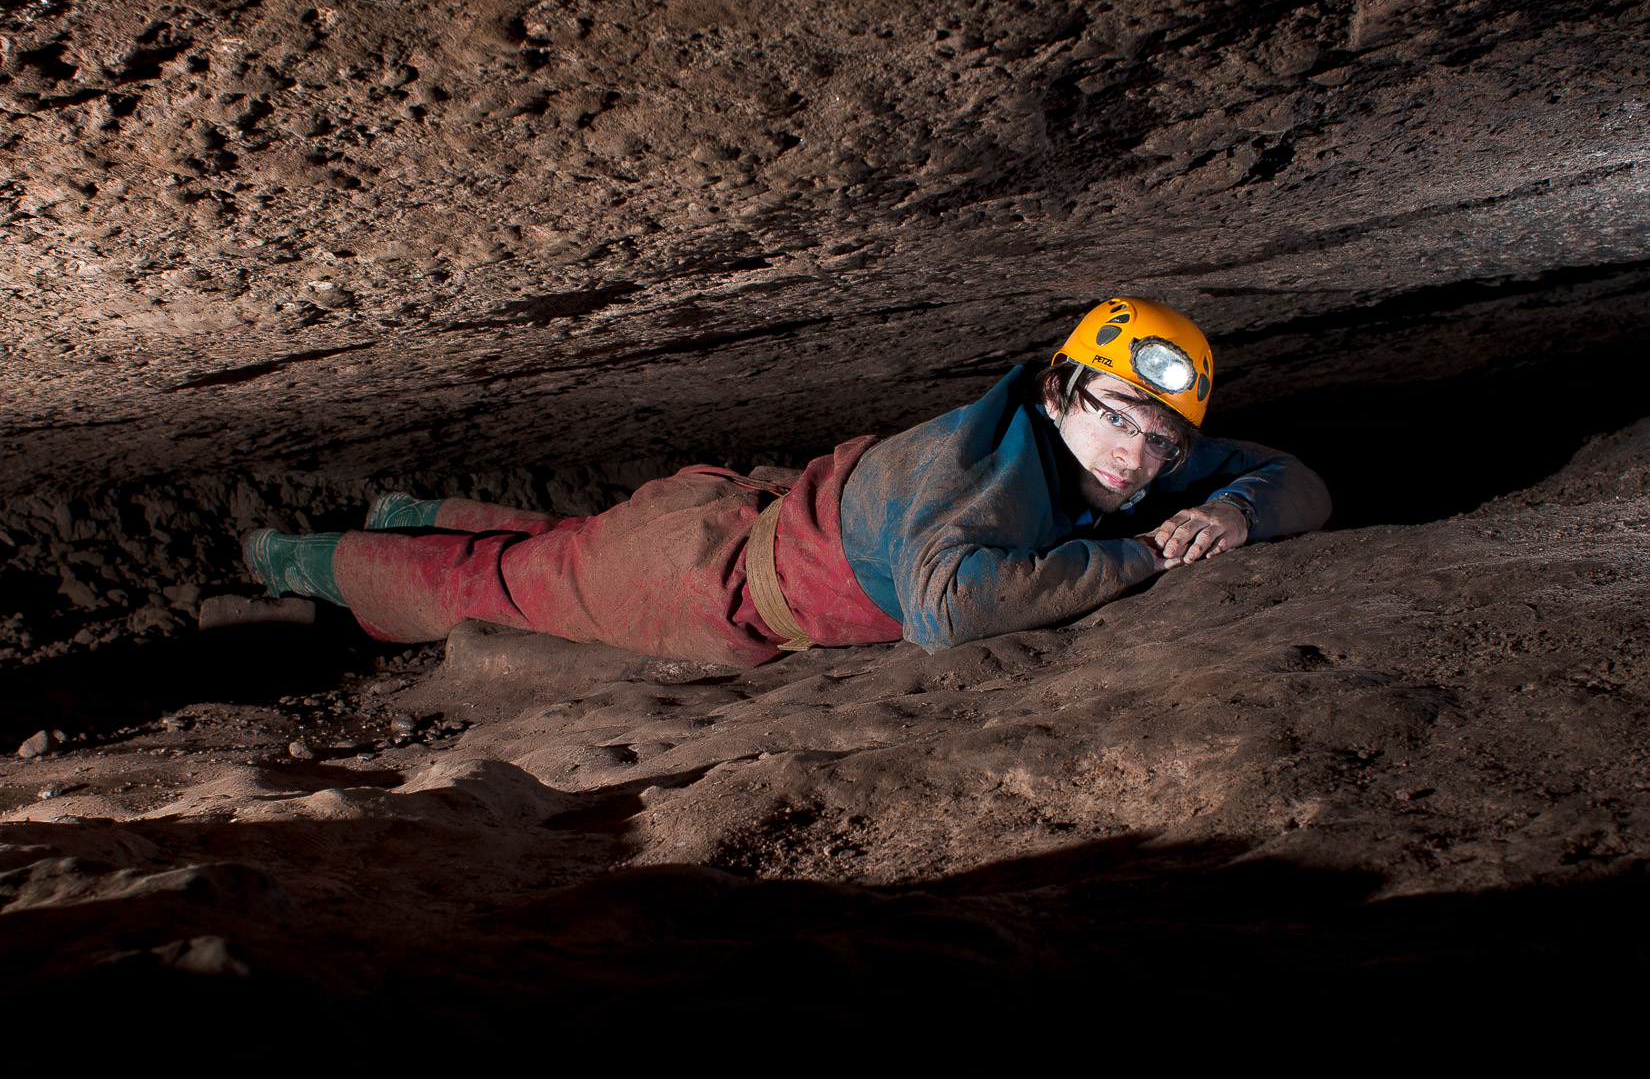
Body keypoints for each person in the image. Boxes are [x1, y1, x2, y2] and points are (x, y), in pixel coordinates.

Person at [242, 297, 1330, 667]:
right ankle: (297, 556)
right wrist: (1145, 551)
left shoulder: (1108, 453)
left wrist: (1228, 508)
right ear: (1057, 389)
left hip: (748, 505)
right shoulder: (980, 466)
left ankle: (413, 513)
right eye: (1116, 417)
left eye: (1162, 441)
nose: (1136, 458)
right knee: (509, 587)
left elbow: (1297, 478)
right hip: (702, 576)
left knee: (555, 545)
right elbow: (951, 611)